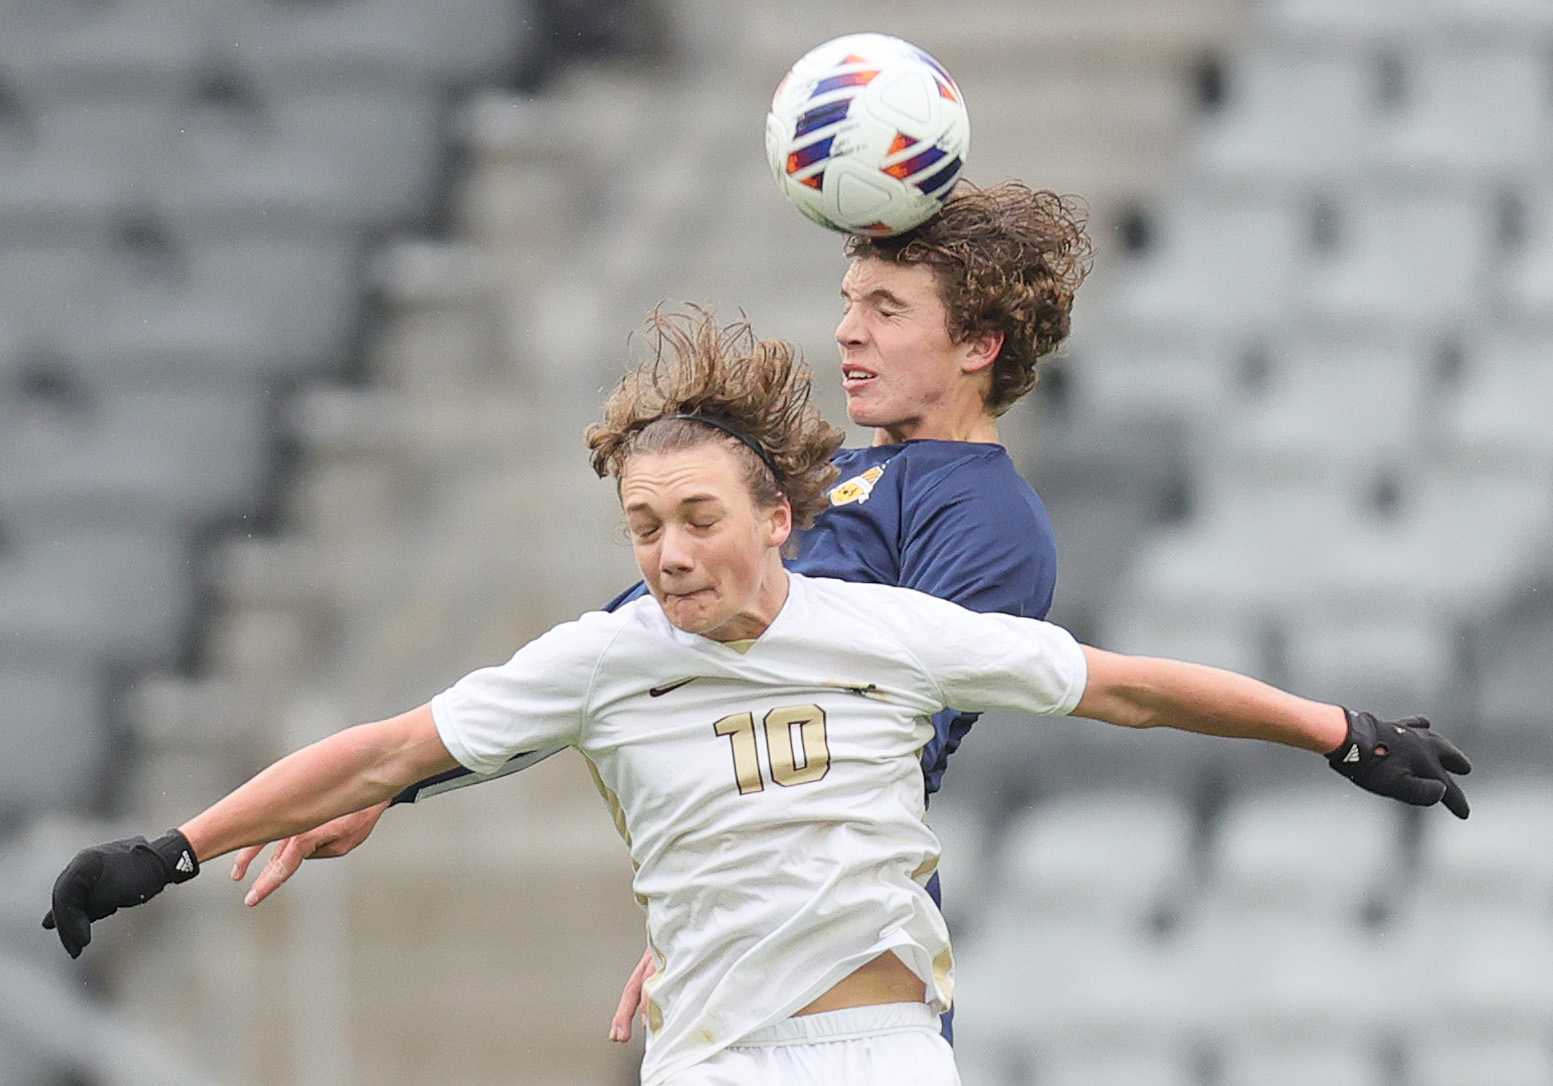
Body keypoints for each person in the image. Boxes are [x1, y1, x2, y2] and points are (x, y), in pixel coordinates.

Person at [44, 313, 1470, 1086]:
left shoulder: (891, 633)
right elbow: (387, 751)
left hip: (877, 1051)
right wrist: (167, 849)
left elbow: (1128, 690)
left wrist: (1335, 730)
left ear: (779, 514)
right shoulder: (602, 660)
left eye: (695, 516)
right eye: (641, 524)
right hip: (705, 1060)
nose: (667, 550)